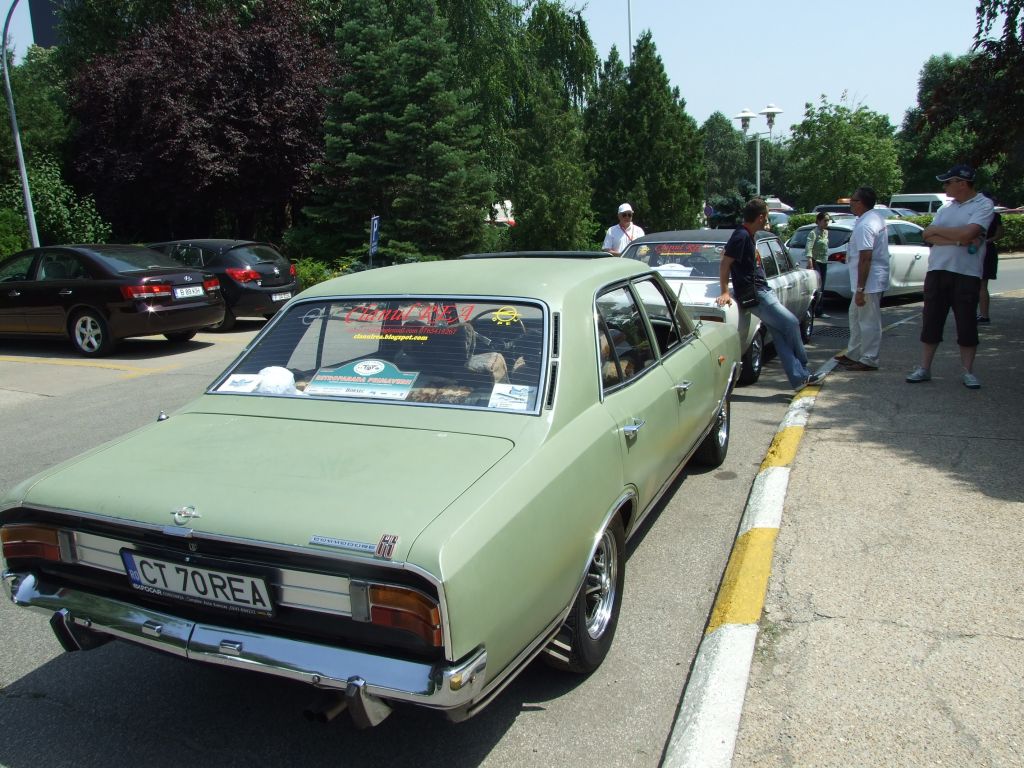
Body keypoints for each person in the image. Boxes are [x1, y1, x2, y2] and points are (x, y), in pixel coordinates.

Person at [716, 197, 821, 390]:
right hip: (756, 294)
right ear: (761, 216)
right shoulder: (741, 236)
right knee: (790, 323)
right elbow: (725, 263)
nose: (768, 221)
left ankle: (799, 379)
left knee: (780, 336)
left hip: (762, 289)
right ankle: (804, 365)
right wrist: (724, 292)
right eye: (767, 216)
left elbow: (727, 256)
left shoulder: (748, 234)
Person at [907, 164, 994, 389]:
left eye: (948, 182)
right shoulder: (946, 208)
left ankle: (968, 371)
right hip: (937, 270)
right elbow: (927, 234)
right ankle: (924, 368)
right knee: (931, 320)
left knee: (966, 323)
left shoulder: (983, 205)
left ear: (962, 183)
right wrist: (957, 240)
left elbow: (970, 233)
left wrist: (947, 235)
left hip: (966, 273)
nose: (945, 186)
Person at [834, 187, 890, 371]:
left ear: (862, 203)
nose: (851, 203)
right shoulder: (869, 219)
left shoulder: (866, 224)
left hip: (868, 283)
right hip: (864, 281)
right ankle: (854, 352)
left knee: (868, 321)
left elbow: (866, 258)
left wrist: (860, 289)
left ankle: (869, 358)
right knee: (855, 317)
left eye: (854, 200)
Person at [977, 202, 1003, 323]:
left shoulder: (977, 215)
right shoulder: (995, 216)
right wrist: (989, 240)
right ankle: (984, 314)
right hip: (989, 248)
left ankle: (981, 315)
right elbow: (1000, 234)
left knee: (978, 284)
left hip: (976, 249)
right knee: (983, 284)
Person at [805, 211, 831, 318]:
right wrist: (810, 261)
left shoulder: (826, 232)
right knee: (817, 287)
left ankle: (819, 311)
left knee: (822, 287)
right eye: (825, 220)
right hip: (816, 262)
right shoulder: (813, 233)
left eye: (828, 220)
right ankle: (813, 309)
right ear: (819, 221)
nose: (827, 223)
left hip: (824, 261)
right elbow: (809, 247)